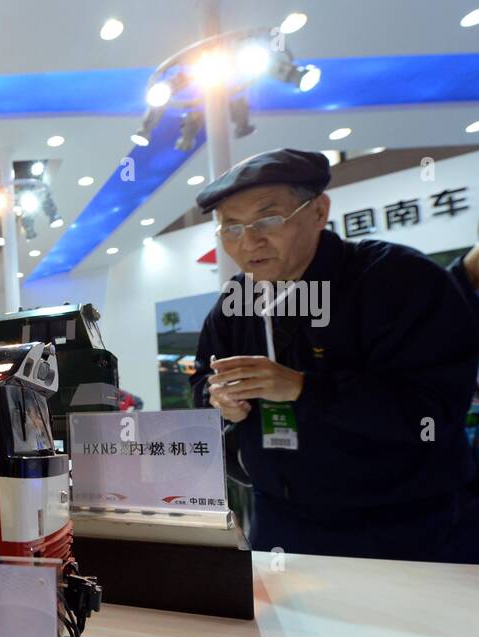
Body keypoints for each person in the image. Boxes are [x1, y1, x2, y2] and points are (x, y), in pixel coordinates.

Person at [188, 148, 479, 562]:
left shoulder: (398, 280)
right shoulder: (237, 302)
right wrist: (217, 400)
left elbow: (432, 412)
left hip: (408, 524)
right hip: (281, 521)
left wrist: (304, 388)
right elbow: (201, 379)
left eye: (268, 220)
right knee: (279, 628)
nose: (249, 242)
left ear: (319, 211)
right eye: (230, 228)